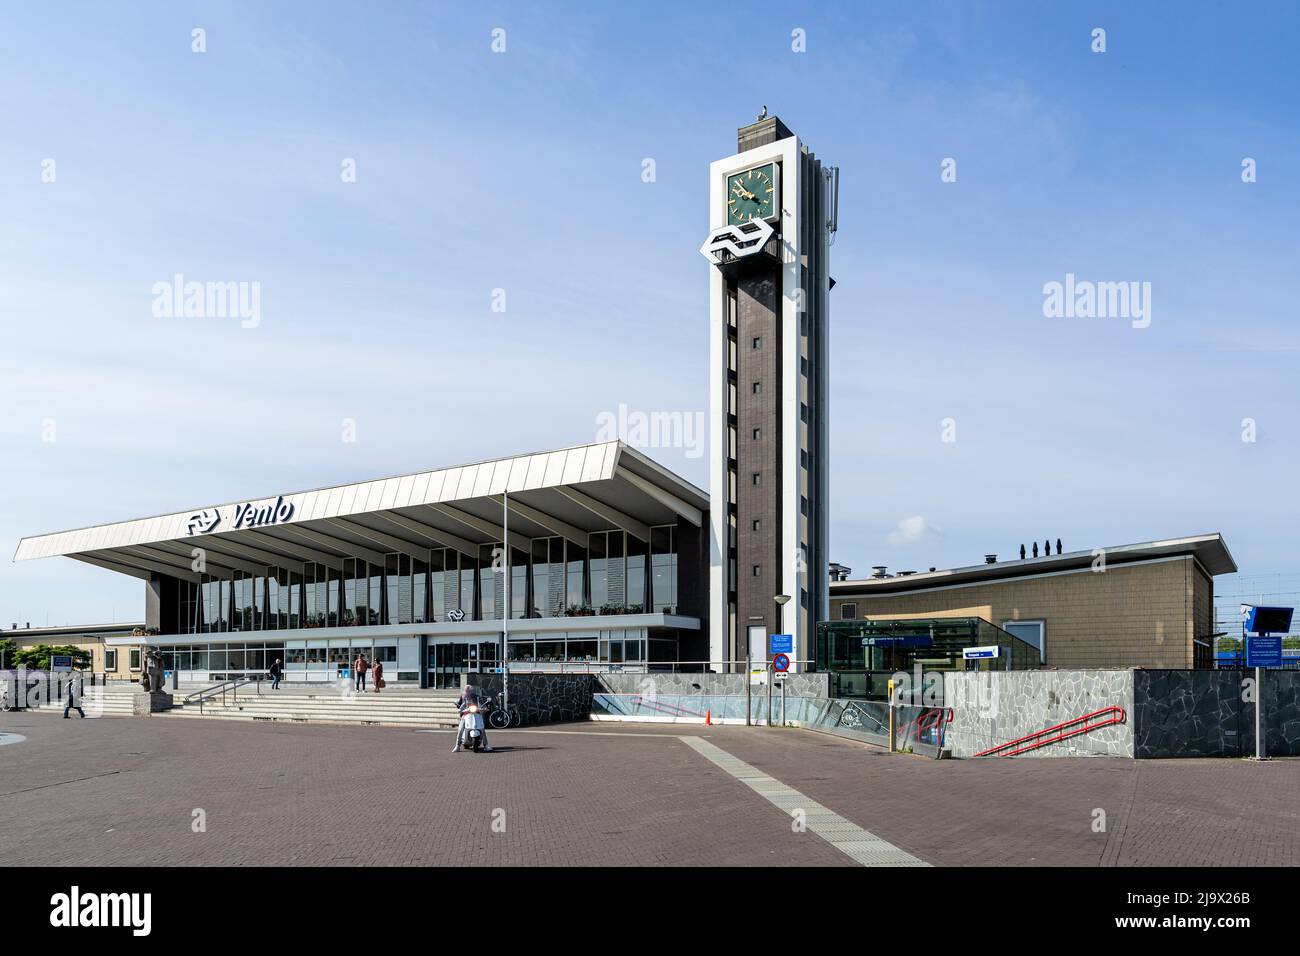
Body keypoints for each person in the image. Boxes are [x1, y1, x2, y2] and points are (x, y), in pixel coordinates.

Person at [453, 682, 491, 753]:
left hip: (476, 714)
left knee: (482, 729)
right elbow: (459, 704)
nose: (467, 691)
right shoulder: (463, 696)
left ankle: (486, 745)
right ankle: (457, 746)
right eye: (466, 690)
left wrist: (484, 708)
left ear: (471, 690)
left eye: (468, 690)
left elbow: (482, 704)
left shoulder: (476, 697)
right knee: (460, 729)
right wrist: (458, 706)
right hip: (466, 715)